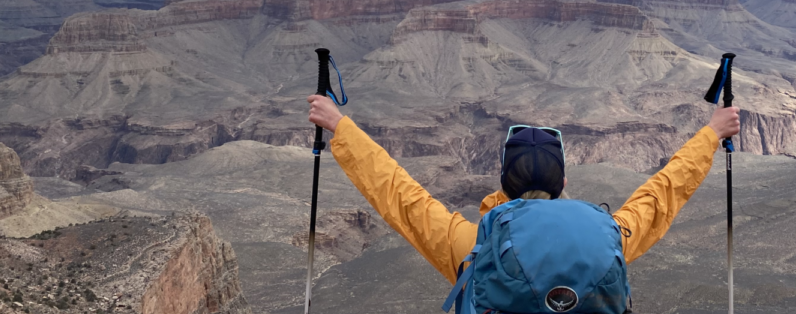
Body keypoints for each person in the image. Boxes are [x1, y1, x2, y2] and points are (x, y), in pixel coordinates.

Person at [307, 94, 741, 284]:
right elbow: (662, 192)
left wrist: (340, 128)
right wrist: (711, 133)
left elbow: (399, 194)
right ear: (564, 183)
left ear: (501, 183)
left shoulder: (474, 246)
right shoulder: (607, 238)